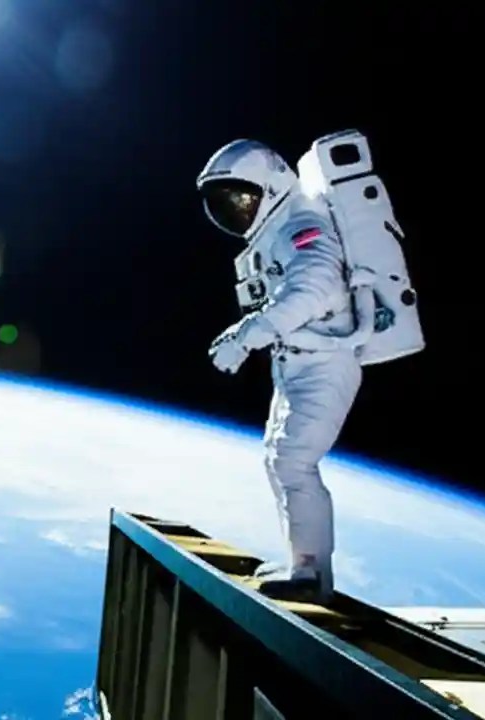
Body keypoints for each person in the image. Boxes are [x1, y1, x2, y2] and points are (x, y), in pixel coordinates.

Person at [196, 138, 362, 604]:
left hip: (326, 365)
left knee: (293, 461)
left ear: (270, 188)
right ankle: (301, 563)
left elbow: (315, 287)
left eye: (242, 198)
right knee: (278, 458)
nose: (236, 209)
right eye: (226, 203)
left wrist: (246, 335)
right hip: (299, 365)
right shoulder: (281, 230)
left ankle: (312, 576)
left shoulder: (302, 224)